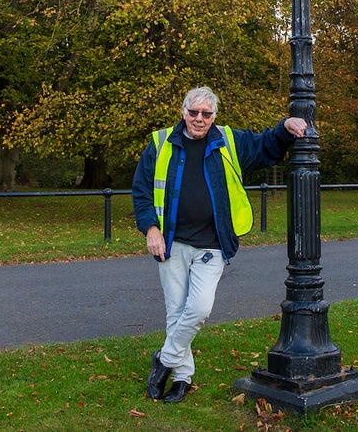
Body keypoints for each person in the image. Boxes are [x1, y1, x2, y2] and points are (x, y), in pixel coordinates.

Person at [131, 86, 307, 403]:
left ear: (214, 116)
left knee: (197, 309)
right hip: (171, 244)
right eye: (193, 112)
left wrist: (285, 127)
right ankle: (182, 378)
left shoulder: (227, 140)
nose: (199, 119)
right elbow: (142, 190)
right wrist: (150, 229)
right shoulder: (160, 144)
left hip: (212, 244)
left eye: (206, 114)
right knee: (176, 313)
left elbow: (265, 145)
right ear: (183, 112)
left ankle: (164, 361)